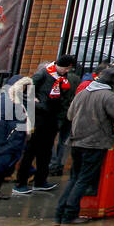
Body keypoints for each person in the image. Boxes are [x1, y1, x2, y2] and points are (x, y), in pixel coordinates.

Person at [55, 65, 114, 226]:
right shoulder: (107, 95)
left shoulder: (83, 93)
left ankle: (60, 214)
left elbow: (70, 115)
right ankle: (69, 215)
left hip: (76, 142)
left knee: (74, 178)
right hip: (95, 143)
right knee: (84, 180)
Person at [14, 54, 76, 194]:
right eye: (66, 68)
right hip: (38, 118)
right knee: (31, 151)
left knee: (46, 152)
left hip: (51, 119)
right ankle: (20, 183)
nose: (67, 71)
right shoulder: (42, 74)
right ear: (59, 65)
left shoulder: (61, 78)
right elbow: (23, 92)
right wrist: (38, 104)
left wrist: (59, 117)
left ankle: (40, 181)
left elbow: (62, 99)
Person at [0, 75, 32, 201]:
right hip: (5, 139)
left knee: (7, 165)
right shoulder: (7, 99)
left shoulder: (19, 100)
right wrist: (3, 139)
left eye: (26, 86)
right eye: (23, 86)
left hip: (14, 139)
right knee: (2, 164)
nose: (24, 89)